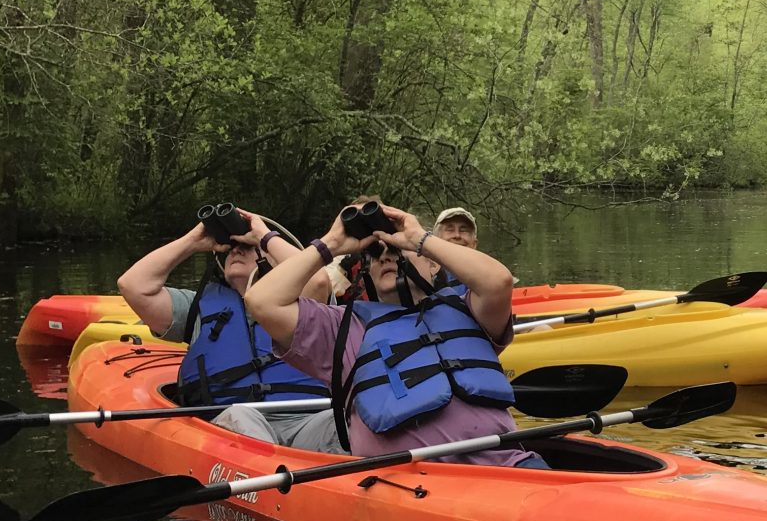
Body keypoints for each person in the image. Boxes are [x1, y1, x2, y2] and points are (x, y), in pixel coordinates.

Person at [245, 200, 543, 467]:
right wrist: (331, 244)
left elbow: (499, 281)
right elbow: (262, 301)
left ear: (433, 262)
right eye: (376, 254)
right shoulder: (340, 329)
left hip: (507, 469)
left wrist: (418, 238)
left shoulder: (469, 309)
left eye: (397, 250)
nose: (386, 257)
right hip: (408, 488)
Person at [117, 208, 339, 449]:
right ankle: (268, 469)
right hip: (232, 427)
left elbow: (318, 280)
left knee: (339, 423)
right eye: (230, 247)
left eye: (247, 246)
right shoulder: (197, 307)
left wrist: (264, 237)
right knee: (241, 416)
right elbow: (132, 286)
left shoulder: (303, 305)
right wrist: (193, 241)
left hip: (307, 422)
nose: (235, 250)